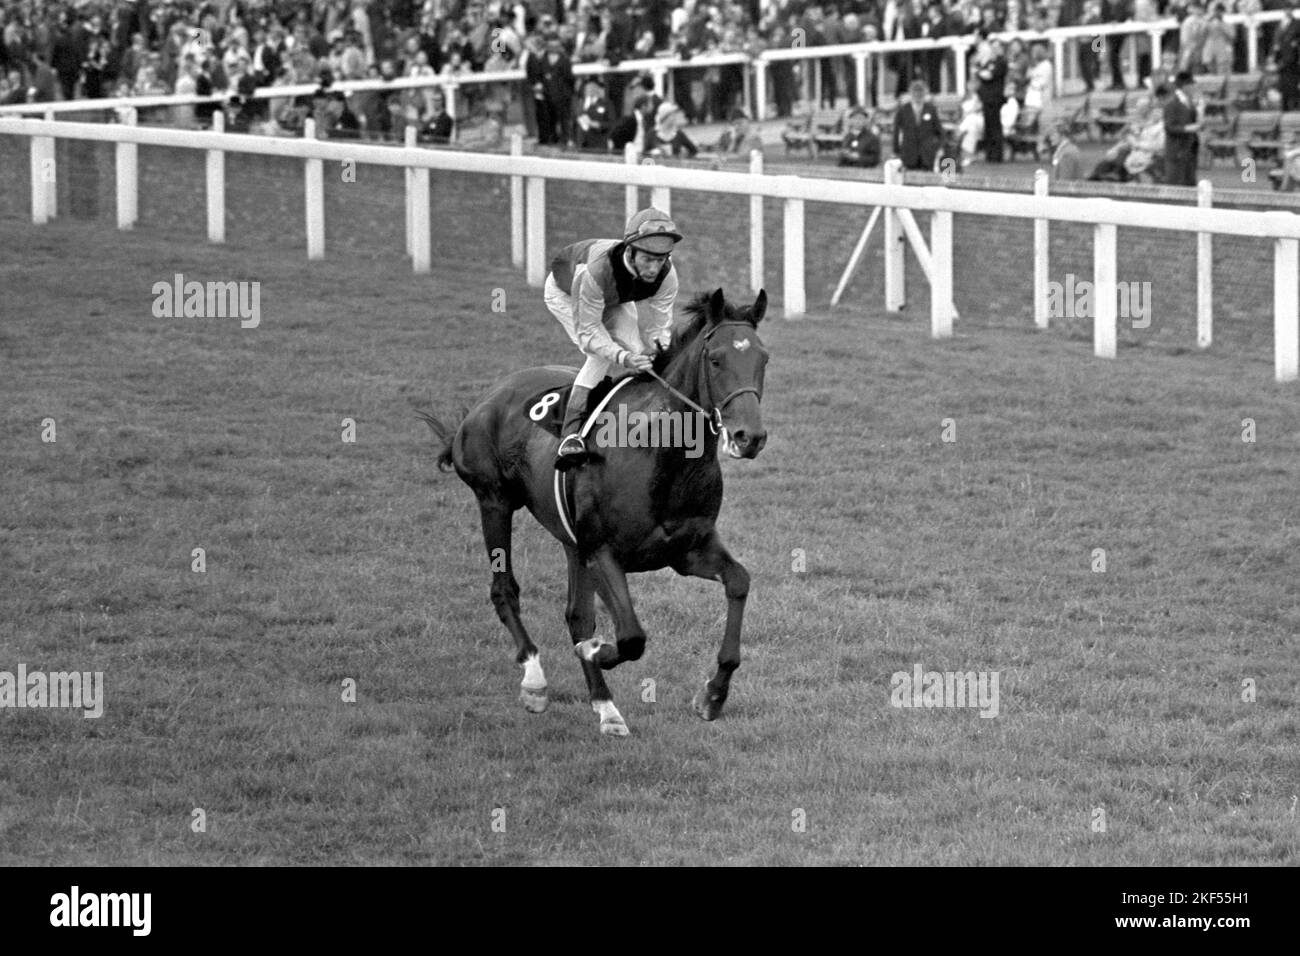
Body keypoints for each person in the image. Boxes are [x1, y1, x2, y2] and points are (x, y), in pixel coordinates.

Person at [544, 208, 682, 470]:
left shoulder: (668, 275)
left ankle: (653, 417)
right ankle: (571, 435)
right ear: (630, 251)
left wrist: (658, 354)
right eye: (648, 260)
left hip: (613, 298)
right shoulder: (595, 271)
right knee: (600, 355)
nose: (655, 268)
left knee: (643, 353)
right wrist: (623, 357)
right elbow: (589, 334)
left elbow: (659, 330)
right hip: (567, 294)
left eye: (661, 259)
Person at [892, 79, 943, 170]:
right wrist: (896, 150)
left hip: (927, 154)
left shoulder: (931, 109)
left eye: (920, 91)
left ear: (924, 93)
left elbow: (939, 131)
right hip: (908, 153)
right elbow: (896, 131)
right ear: (910, 93)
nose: (918, 94)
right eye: (915, 91)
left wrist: (939, 147)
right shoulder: (903, 110)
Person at [1163, 71, 1201, 186]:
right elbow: (1169, 127)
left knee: (1190, 181)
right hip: (1177, 149)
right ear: (1185, 86)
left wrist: (1200, 111)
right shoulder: (1171, 103)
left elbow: (1196, 122)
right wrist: (1187, 129)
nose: (1194, 87)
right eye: (1192, 85)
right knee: (1176, 183)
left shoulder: (1191, 101)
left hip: (1190, 147)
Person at [976, 39, 1008, 162]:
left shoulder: (1001, 62)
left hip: (995, 98)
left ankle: (997, 154)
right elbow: (981, 72)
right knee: (988, 126)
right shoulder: (990, 61)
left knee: (995, 126)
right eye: (992, 47)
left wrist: (980, 73)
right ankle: (989, 153)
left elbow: (989, 75)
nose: (994, 49)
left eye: (996, 47)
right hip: (986, 98)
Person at [575, 77, 614, 151]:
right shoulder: (581, 103)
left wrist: (597, 124)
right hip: (582, 143)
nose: (588, 91)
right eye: (587, 89)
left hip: (598, 143)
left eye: (591, 89)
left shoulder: (606, 104)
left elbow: (611, 123)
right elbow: (575, 119)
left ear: (596, 90)